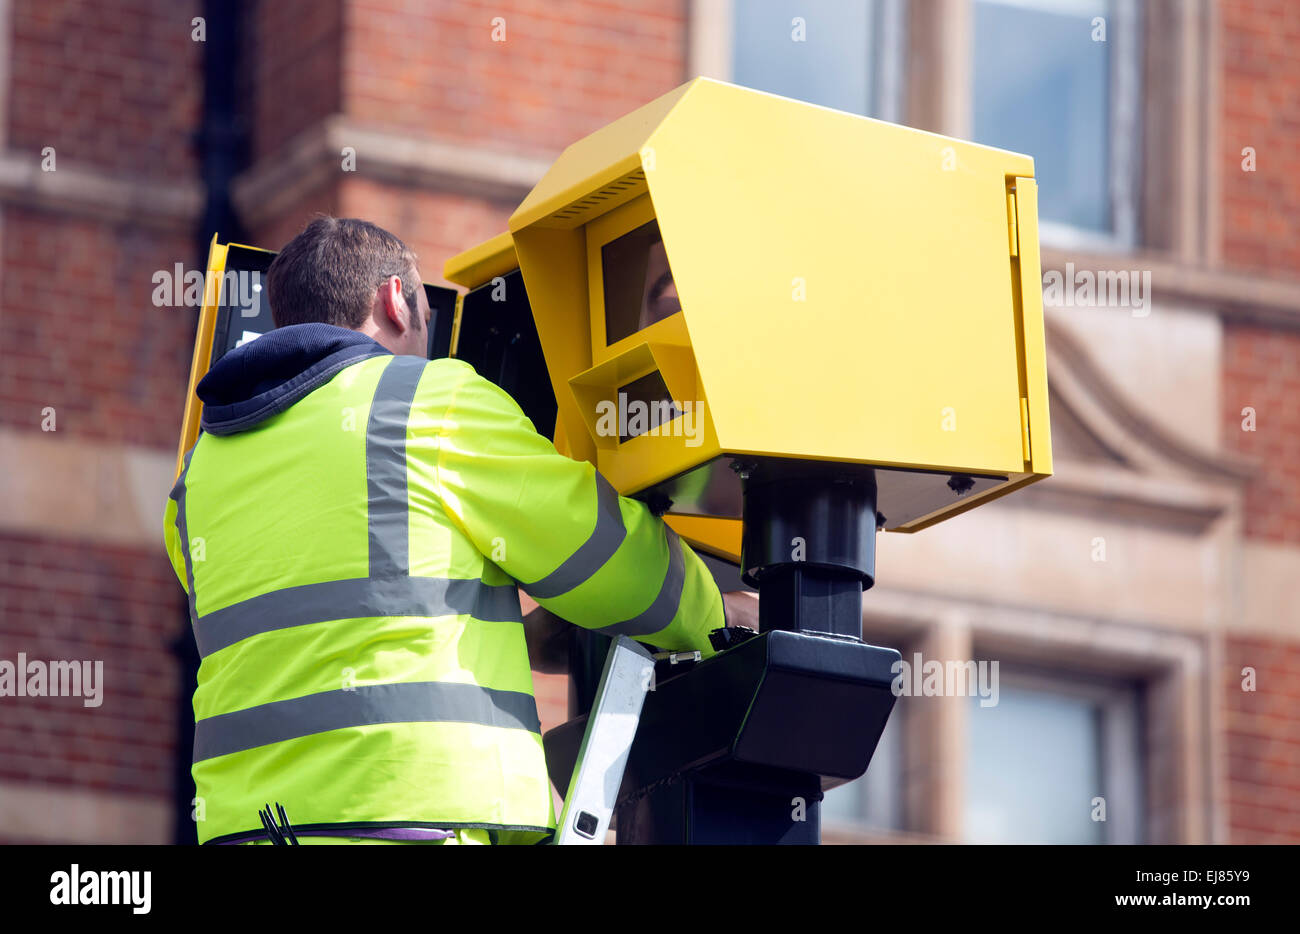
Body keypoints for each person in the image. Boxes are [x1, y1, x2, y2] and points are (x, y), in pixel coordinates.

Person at [163, 216, 755, 845]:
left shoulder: (197, 480)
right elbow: (596, 548)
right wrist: (713, 612)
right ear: (397, 299)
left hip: (248, 831)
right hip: (413, 819)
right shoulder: (424, 400)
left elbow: (329, 626)